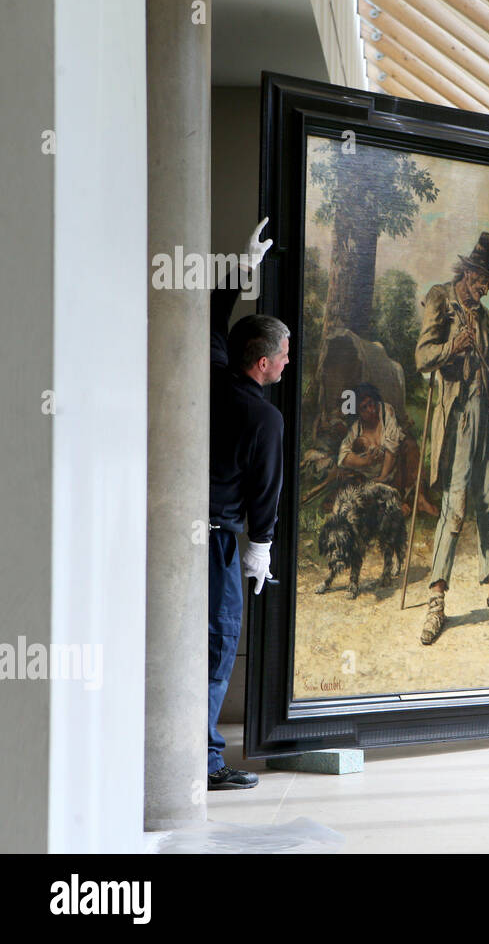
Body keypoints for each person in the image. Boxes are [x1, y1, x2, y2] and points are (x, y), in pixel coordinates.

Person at [415, 231, 489, 646]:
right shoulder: (439, 299)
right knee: (456, 503)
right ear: (467, 271)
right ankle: (436, 598)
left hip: (486, 415)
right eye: (481, 278)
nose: (485, 287)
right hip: (457, 415)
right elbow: (422, 357)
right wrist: (452, 345)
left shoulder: (483, 316)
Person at [208, 217, 285, 791]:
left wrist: (241, 269)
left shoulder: (209, 373)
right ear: (261, 364)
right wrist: (260, 552)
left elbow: (212, 318)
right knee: (217, 641)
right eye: (282, 355)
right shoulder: (265, 416)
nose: (286, 361)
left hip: (171, 529)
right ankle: (206, 762)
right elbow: (266, 493)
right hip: (215, 541)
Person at [335, 382, 436, 516]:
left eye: (371, 403)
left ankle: (420, 498)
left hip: (393, 470)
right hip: (372, 479)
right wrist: (366, 462)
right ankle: (394, 505)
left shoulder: (385, 411)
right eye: (364, 407)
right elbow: (343, 456)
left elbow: (392, 445)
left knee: (409, 445)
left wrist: (383, 476)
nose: (371, 409)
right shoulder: (356, 428)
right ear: (358, 412)